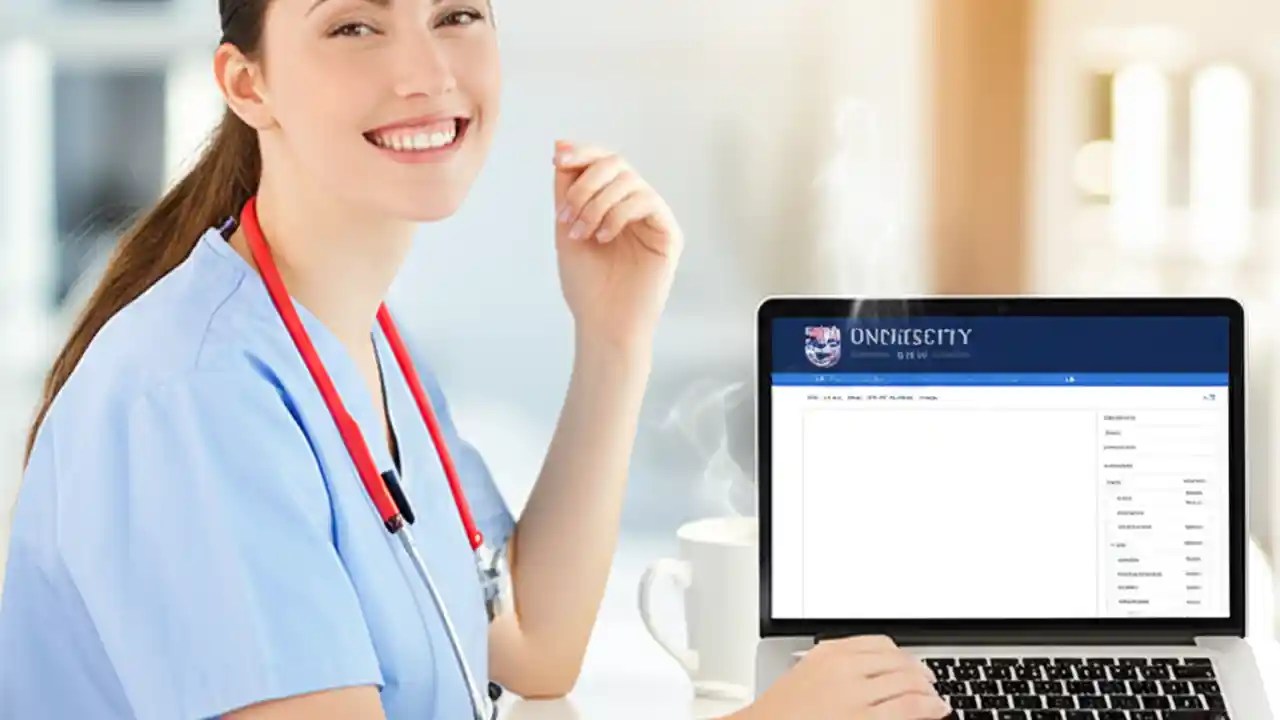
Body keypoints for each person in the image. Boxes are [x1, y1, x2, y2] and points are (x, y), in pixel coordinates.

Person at [0, 1, 950, 719]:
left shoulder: (364, 340)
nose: (426, 72)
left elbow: (531, 641)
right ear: (248, 84)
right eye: (355, 27)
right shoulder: (190, 399)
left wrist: (613, 336)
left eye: (456, 14)